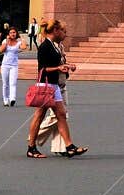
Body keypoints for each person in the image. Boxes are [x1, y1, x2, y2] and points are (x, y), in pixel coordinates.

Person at [27, 20, 87, 158]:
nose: (65, 34)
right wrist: (58, 68)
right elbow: (42, 69)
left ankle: (69, 146)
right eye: (63, 31)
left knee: (61, 114)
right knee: (40, 115)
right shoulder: (45, 46)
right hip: (46, 85)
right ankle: (31, 147)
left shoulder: (55, 46)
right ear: (55, 30)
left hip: (54, 85)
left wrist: (66, 65)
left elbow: (57, 63)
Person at [0, 26, 22, 107]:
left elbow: (24, 47)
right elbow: (1, 50)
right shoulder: (5, 41)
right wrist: (7, 41)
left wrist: (22, 39)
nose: (13, 34)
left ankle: (12, 98)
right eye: (11, 33)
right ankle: (5, 100)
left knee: (13, 83)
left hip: (14, 65)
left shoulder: (18, 42)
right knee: (5, 84)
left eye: (14, 32)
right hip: (5, 65)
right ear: (8, 34)